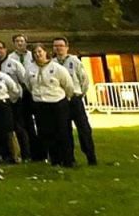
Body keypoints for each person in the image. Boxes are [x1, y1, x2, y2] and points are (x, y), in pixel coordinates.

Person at [27, 43, 77, 167]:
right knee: (46, 133)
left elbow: (68, 85)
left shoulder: (57, 68)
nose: (38, 54)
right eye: (35, 53)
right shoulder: (30, 69)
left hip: (57, 103)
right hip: (40, 104)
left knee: (62, 132)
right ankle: (55, 160)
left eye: (40, 51)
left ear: (45, 52)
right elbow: (28, 85)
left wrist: (66, 97)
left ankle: (68, 160)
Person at [53, 36, 97, 166]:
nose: (58, 48)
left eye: (61, 45)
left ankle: (91, 156)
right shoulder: (53, 63)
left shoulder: (74, 61)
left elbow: (84, 79)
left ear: (66, 47)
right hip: (61, 100)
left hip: (75, 99)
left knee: (84, 129)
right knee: (64, 130)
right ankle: (69, 158)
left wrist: (79, 94)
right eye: (56, 46)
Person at [0, 39, 31, 160]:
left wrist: (21, 97)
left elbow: (24, 81)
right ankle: (8, 154)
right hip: (1, 102)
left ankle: (25, 154)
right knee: (4, 129)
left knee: (19, 128)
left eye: (0, 48)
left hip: (15, 101)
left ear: (5, 49)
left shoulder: (14, 63)